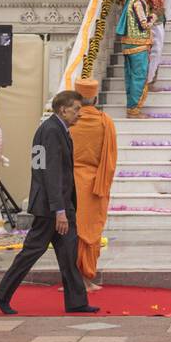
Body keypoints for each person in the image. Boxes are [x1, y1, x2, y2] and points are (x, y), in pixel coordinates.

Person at [0, 91, 98, 314]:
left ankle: (77, 301)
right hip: (52, 206)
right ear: (63, 109)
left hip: (56, 203)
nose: (79, 114)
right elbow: (50, 172)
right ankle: (1, 294)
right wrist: (59, 209)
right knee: (31, 252)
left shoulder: (53, 128)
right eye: (76, 109)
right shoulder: (52, 130)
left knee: (68, 254)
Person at [68, 78, 117, 291]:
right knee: (90, 230)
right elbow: (111, 158)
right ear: (96, 98)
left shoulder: (68, 122)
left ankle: (70, 278)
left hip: (69, 182)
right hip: (95, 183)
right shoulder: (104, 121)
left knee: (72, 231)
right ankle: (85, 278)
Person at [116, 0, 157, 117]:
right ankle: (133, 110)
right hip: (138, 44)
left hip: (131, 44)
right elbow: (144, 24)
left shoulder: (134, 0)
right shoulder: (138, 2)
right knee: (138, 76)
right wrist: (153, 18)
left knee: (132, 76)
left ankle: (132, 108)